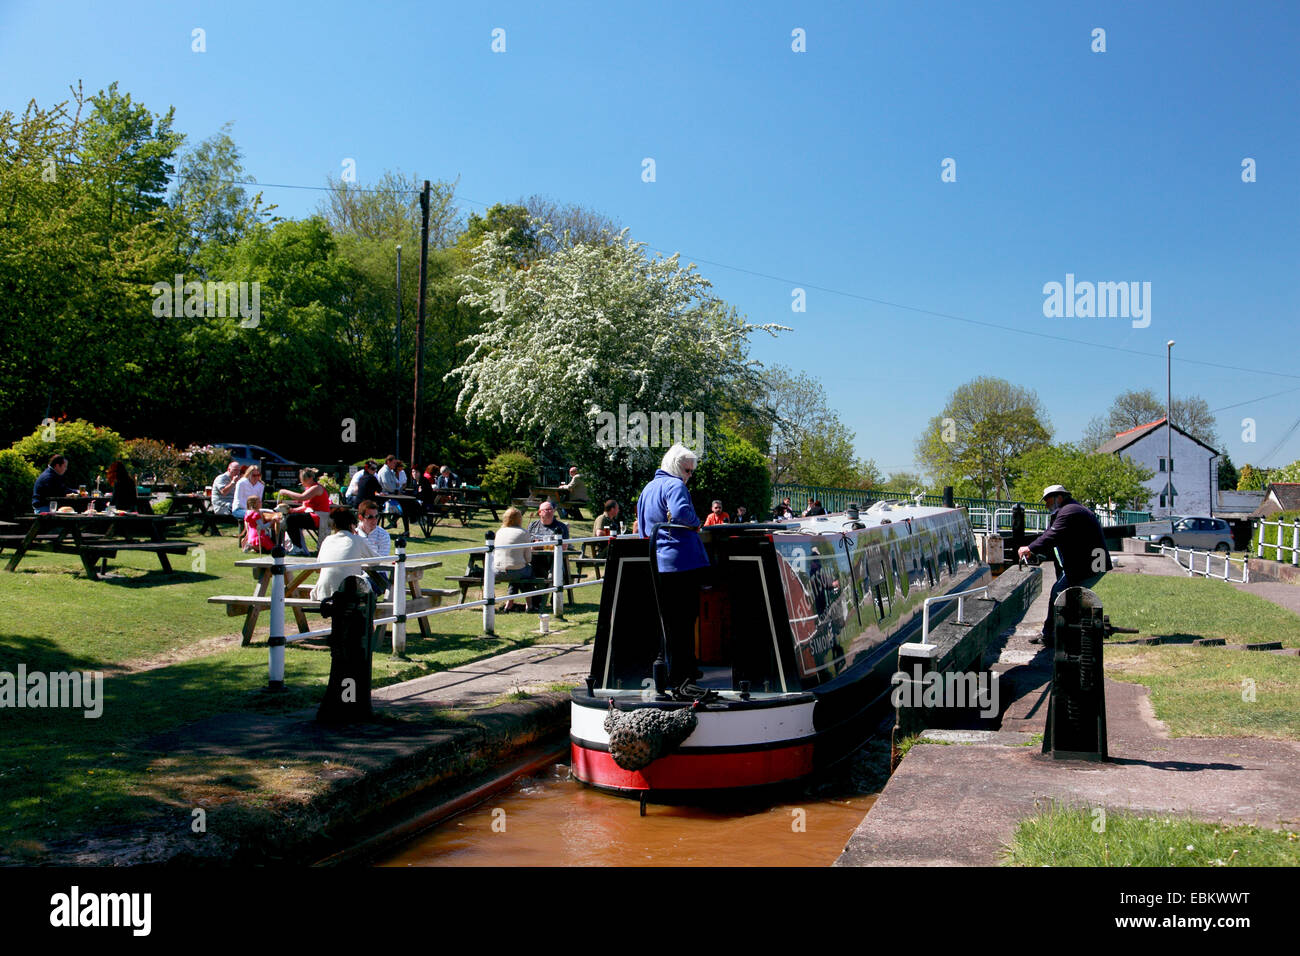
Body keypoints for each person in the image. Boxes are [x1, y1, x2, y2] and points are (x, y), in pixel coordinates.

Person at [636, 443, 709, 692]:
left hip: (656, 562)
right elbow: (680, 512)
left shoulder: (648, 488)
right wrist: (696, 522)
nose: (689, 476)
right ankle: (682, 676)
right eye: (688, 471)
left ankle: (669, 670)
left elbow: (644, 526)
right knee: (685, 619)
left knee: (668, 620)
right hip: (680, 562)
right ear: (677, 467)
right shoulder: (674, 485)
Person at [1017, 484, 1113, 648]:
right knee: (1064, 595)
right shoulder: (1067, 511)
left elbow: (1052, 535)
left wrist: (1030, 548)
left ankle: (1054, 635)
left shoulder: (1070, 511)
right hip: (1089, 564)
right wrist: (1035, 551)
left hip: (1091, 566)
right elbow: (1050, 536)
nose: (1046, 504)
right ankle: (1056, 633)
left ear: (1058, 498)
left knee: (1061, 594)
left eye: (1047, 500)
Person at [311, 507, 378, 602]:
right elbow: (376, 561)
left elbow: (318, 568)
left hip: (324, 594)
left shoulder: (327, 540)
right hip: (348, 593)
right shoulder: (357, 539)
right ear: (352, 525)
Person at [525, 501, 570, 610]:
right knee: (524, 570)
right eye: (546, 510)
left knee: (553, 574)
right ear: (540, 512)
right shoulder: (533, 526)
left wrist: (539, 544)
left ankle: (551, 600)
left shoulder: (561, 527)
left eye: (551, 509)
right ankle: (535, 601)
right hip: (535, 561)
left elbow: (564, 546)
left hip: (553, 561)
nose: (550, 512)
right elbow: (528, 545)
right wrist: (550, 544)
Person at [277, 468, 331, 556]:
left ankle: (298, 548)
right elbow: (304, 506)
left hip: (320, 517)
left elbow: (302, 497)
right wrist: (292, 510)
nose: (302, 483)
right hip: (312, 514)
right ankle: (289, 546)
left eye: (303, 480)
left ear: (310, 479)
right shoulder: (309, 488)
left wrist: (285, 491)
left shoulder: (316, 488)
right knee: (287, 518)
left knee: (291, 519)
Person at [494, 507, 534, 611]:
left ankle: (509, 603)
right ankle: (529, 604)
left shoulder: (499, 532)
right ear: (520, 519)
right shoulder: (523, 533)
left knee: (515, 571)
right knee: (526, 572)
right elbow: (528, 559)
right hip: (517, 571)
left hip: (497, 571)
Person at [356, 499, 393, 595]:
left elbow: (380, 562)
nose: (374, 520)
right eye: (370, 517)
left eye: (376, 516)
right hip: (356, 573)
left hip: (378, 575)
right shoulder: (354, 534)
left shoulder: (383, 535)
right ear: (360, 517)